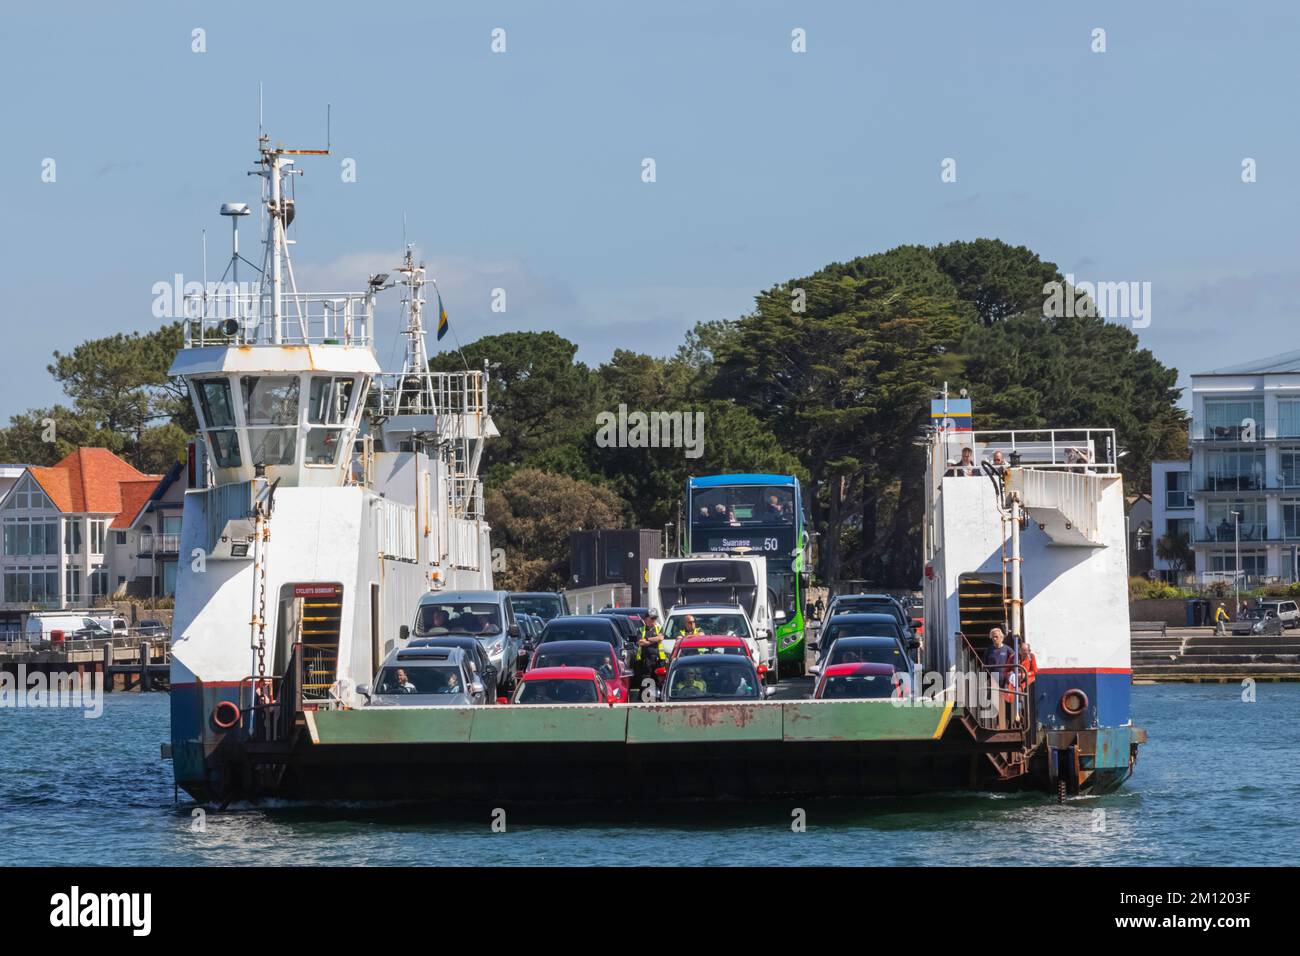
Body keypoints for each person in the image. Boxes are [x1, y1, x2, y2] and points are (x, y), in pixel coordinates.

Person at [982, 628, 1015, 728]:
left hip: (1005, 679)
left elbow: (1015, 662)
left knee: (1007, 701)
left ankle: (1008, 723)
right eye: (993, 637)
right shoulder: (988, 651)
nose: (994, 639)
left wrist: (1012, 673)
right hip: (993, 678)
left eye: (996, 637)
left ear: (1002, 637)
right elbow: (984, 665)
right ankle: (994, 724)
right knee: (993, 702)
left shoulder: (1008, 650)